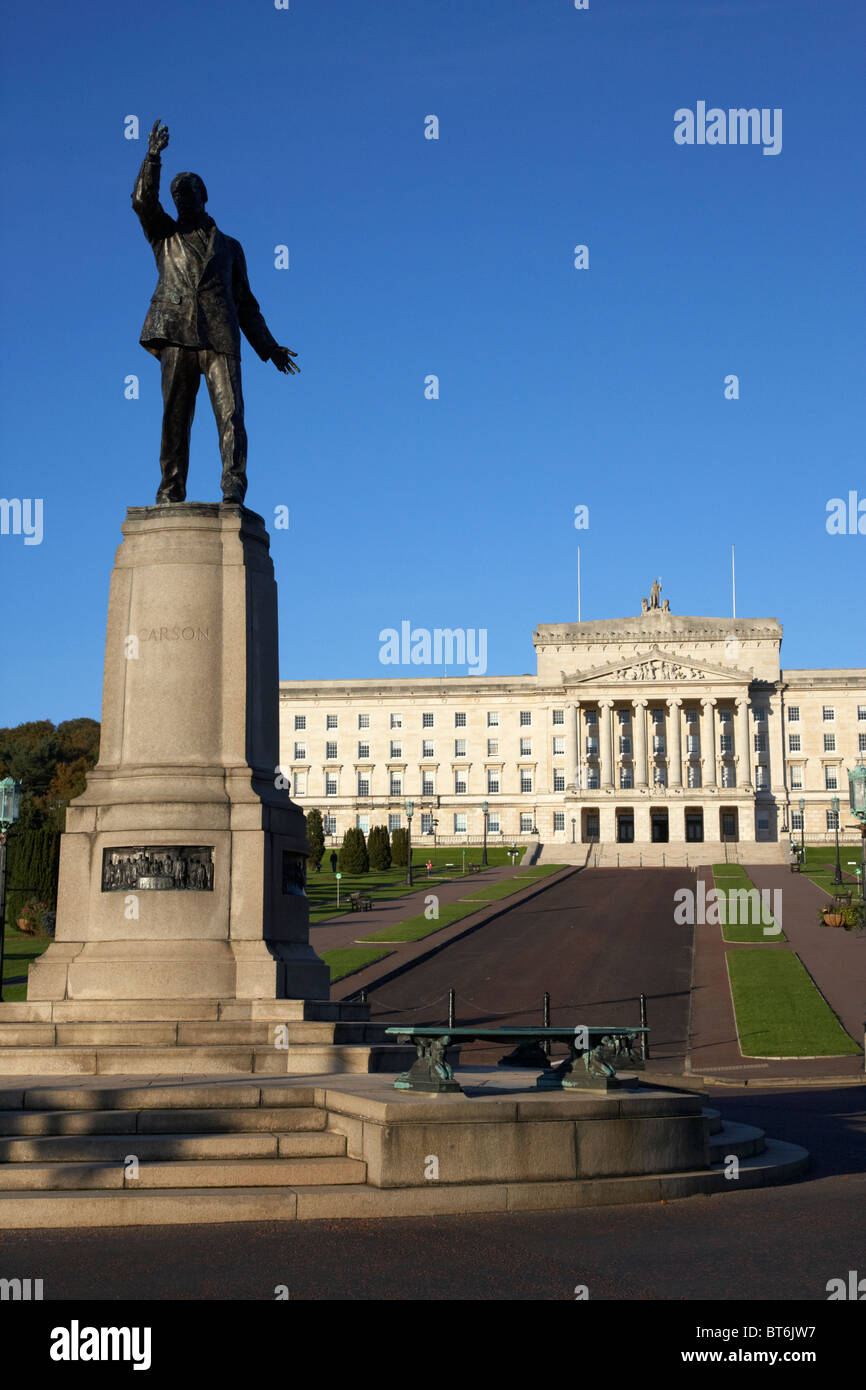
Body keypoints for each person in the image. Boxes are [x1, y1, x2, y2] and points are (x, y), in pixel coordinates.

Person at [132, 120, 300, 504]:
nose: (180, 198)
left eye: (187, 191)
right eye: (175, 194)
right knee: (175, 419)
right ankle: (170, 489)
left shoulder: (229, 247)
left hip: (221, 336)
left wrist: (270, 347)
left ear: (204, 196)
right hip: (175, 331)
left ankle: (233, 487)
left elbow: (245, 304)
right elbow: (142, 201)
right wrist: (153, 158)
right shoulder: (164, 235)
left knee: (231, 416)